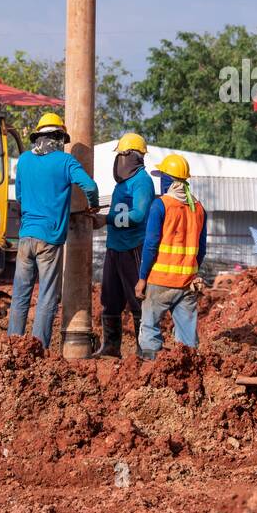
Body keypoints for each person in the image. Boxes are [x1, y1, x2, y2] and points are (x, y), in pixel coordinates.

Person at [9, 112, 98, 349]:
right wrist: (93, 204)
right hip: (49, 239)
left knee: (20, 296)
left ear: (38, 136)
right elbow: (89, 185)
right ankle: (38, 350)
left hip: (26, 236)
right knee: (47, 297)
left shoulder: (25, 160)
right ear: (59, 138)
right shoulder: (65, 161)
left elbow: (19, 196)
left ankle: (12, 346)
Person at [135, 153, 207, 360]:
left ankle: (151, 373)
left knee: (149, 328)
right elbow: (201, 249)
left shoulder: (161, 205)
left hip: (160, 280)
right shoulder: (199, 208)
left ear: (166, 179)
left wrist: (142, 278)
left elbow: (150, 245)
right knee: (188, 338)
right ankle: (189, 372)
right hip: (188, 282)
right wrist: (192, 270)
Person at [92, 133, 155, 358]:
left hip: (133, 248)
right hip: (115, 247)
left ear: (130, 156)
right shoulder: (123, 185)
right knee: (110, 299)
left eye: (121, 155)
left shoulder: (142, 182)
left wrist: (106, 220)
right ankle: (110, 346)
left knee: (138, 300)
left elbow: (138, 215)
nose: (118, 160)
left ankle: (143, 348)